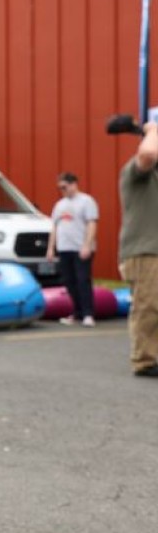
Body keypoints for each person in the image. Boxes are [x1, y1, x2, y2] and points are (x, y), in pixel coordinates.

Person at [120, 122, 158, 377]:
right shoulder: (135, 173)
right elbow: (147, 154)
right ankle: (144, 360)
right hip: (145, 252)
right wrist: (153, 130)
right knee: (149, 305)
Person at [46, 172, 98, 327]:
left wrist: (87, 245)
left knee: (83, 280)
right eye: (60, 188)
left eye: (65, 187)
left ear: (74, 184)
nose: (62, 191)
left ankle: (88, 314)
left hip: (80, 247)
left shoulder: (87, 201)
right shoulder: (59, 205)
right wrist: (51, 248)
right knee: (69, 281)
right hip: (64, 248)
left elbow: (92, 224)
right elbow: (54, 227)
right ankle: (77, 312)